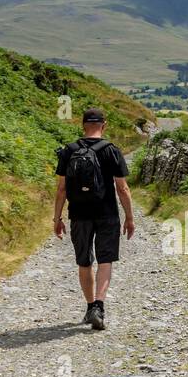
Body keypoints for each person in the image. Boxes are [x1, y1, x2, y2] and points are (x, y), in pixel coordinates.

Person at [53, 108, 134, 330]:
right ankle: (99, 306)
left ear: (83, 126)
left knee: (84, 260)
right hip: (107, 213)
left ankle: (89, 308)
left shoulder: (69, 151)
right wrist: (129, 217)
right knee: (105, 260)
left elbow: (61, 190)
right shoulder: (111, 150)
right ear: (104, 125)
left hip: (79, 214)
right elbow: (122, 188)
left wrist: (57, 218)